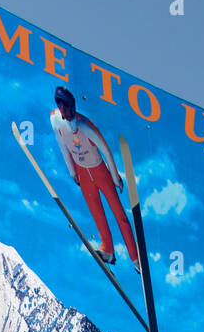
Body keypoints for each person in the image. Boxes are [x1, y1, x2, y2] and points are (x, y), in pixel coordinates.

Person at [50, 87, 140, 271]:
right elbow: (63, 147)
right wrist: (73, 173)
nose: (62, 111)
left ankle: (135, 257)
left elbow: (105, 150)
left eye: (65, 106)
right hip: (83, 173)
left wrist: (115, 178)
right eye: (60, 106)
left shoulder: (85, 127)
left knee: (119, 214)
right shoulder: (56, 121)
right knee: (97, 213)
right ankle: (107, 249)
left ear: (72, 107)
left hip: (99, 171)